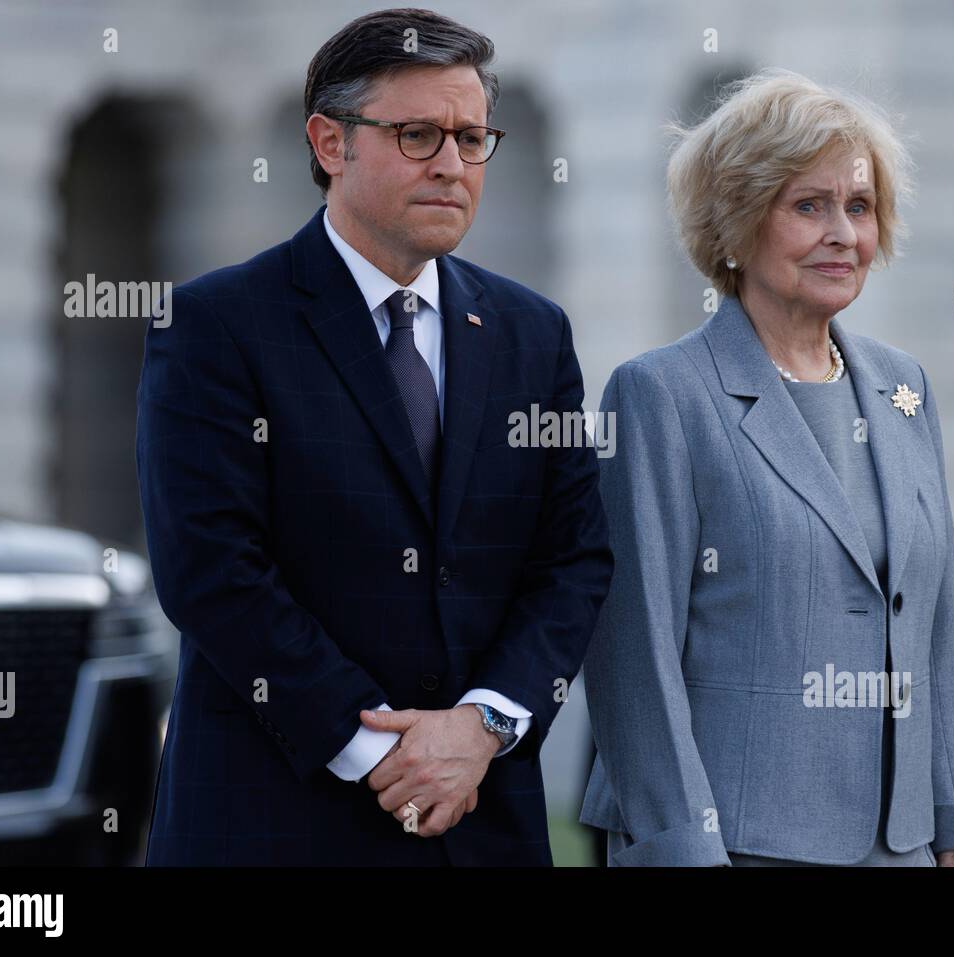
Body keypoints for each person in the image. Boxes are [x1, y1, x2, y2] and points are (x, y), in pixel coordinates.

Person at [135, 8, 612, 866]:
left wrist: (484, 725)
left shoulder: (533, 333)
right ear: (330, 143)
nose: (452, 165)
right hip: (274, 821)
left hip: (480, 822)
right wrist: (386, 754)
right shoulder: (217, 324)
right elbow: (211, 569)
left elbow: (573, 559)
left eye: (471, 138)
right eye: (418, 134)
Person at [579, 69, 954, 866]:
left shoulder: (903, 385)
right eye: (809, 205)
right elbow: (634, 656)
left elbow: (935, 630)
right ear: (734, 226)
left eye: (860, 207)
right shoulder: (660, 394)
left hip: (902, 848)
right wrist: (682, 850)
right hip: (735, 843)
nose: (843, 233)